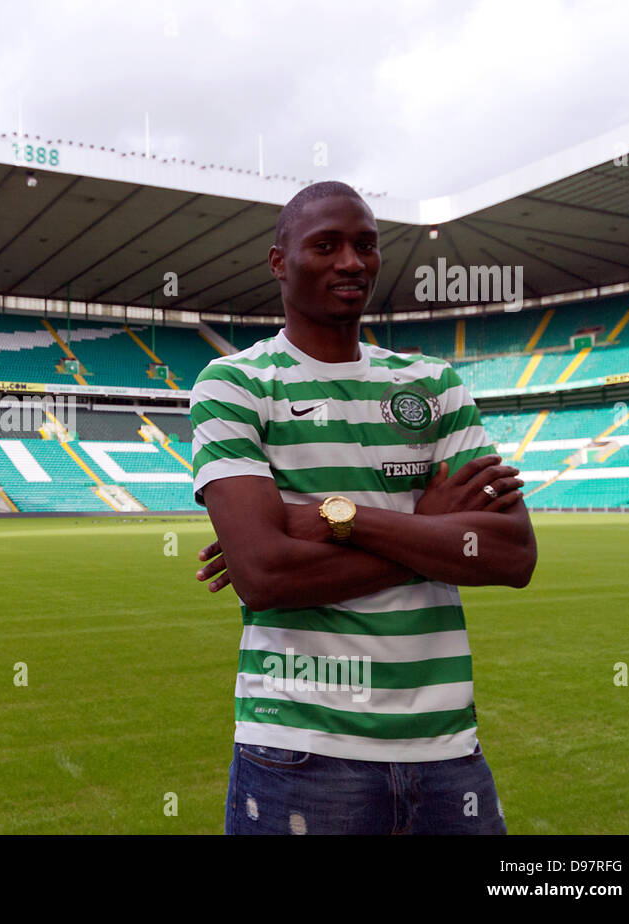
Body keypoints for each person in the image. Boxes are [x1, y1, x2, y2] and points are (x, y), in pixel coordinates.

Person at [191, 180, 536, 835]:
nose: (352, 262)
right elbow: (267, 576)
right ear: (278, 262)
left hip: (446, 750)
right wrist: (428, 527)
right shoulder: (235, 384)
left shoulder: (433, 385)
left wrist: (335, 518)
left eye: (366, 246)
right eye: (326, 245)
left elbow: (513, 554)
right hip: (300, 751)